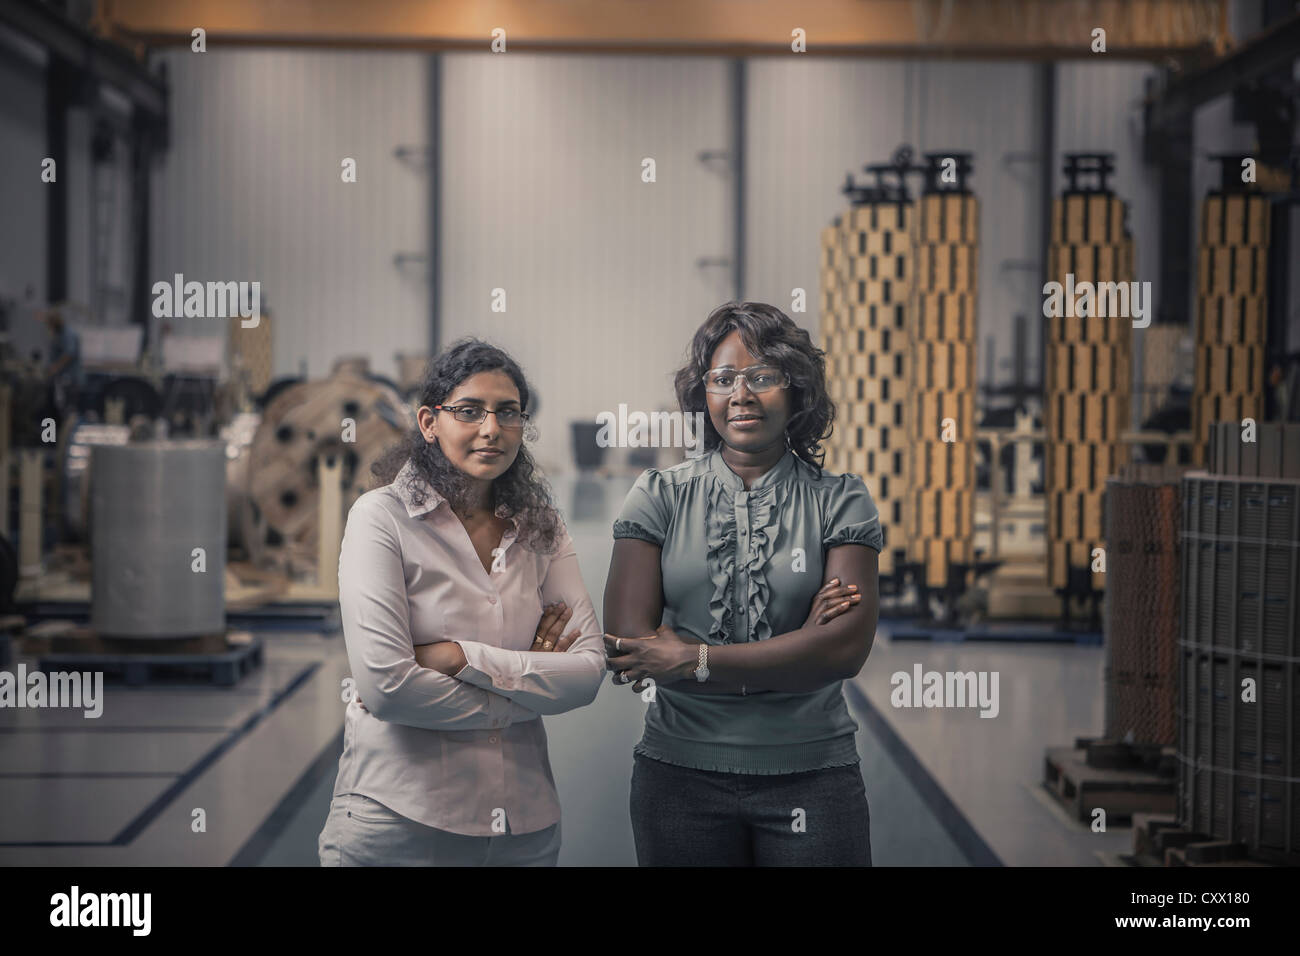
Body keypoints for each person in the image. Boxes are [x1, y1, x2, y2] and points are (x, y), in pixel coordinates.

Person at [604, 301, 882, 866]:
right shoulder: (658, 495)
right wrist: (799, 641)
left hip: (813, 778)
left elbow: (844, 651)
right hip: (678, 778)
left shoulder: (841, 500)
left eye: (763, 377)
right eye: (723, 378)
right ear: (703, 395)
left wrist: (691, 657)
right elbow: (629, 649)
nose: (741, 395)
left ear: (797, 389)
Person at [318, 339, 605, 866]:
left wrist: (458, 658)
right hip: (400, 822)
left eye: (508, 412)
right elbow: (386, 688)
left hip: (523, 827)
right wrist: (529, 687)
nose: (491, 428)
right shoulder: (381, 519)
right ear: (430, 422)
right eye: (469, 411)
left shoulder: (541, 528)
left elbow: (587, 674)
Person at [40, 308, 83, 415]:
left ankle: (67, 428)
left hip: (69, 379)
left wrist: (55, 368)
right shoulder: (58, 334)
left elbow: (69, 354)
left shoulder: (68, 334)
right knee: (58, 406)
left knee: (68, 408)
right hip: (62, 378)